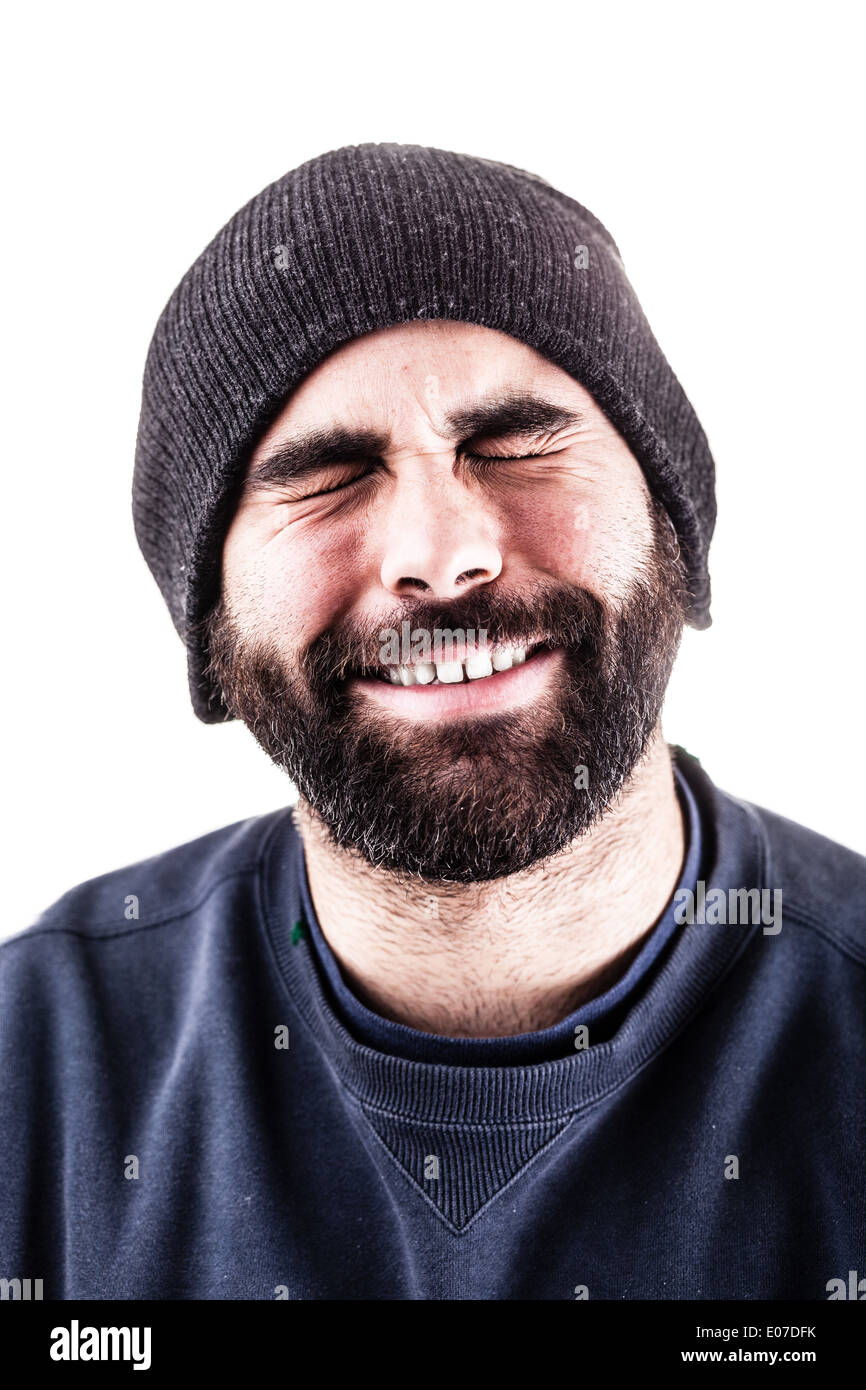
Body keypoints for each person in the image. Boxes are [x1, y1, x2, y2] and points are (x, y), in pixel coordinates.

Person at [2, 144, 863, 1301]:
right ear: (210, 622)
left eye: (513, 442)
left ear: (671, 524)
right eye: (327, 475)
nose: (441, 552)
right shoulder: (35, 1068)